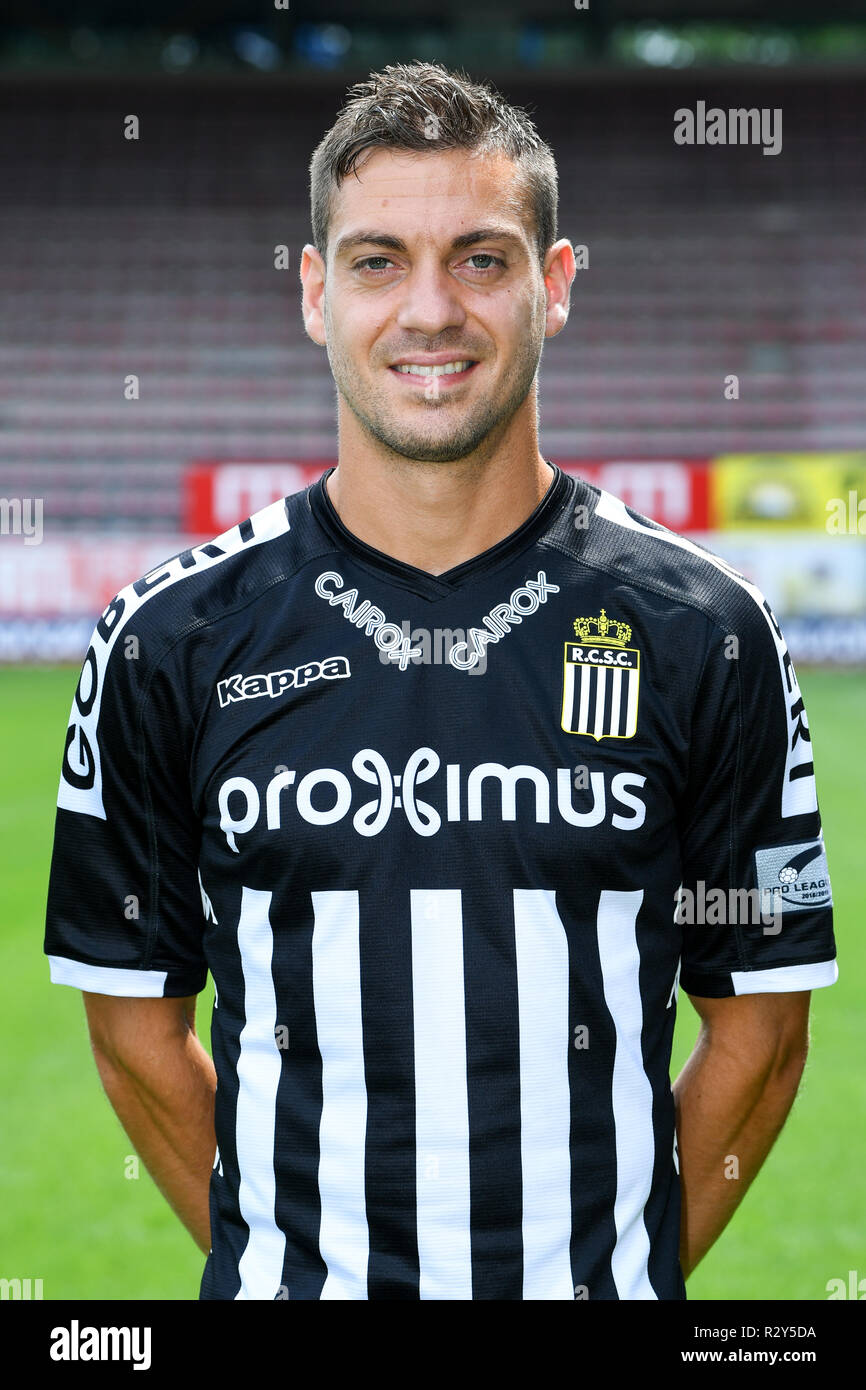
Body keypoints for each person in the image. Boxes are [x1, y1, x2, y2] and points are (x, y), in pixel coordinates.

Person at [44, 60, 837, 1301]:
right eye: (374, 261)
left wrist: (611, 1276)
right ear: (314, 294)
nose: (429, 310)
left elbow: (761, 1028)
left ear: (553, 284)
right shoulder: (167, 639)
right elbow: (136, 1029)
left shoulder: (707, 632)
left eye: (479, 258)